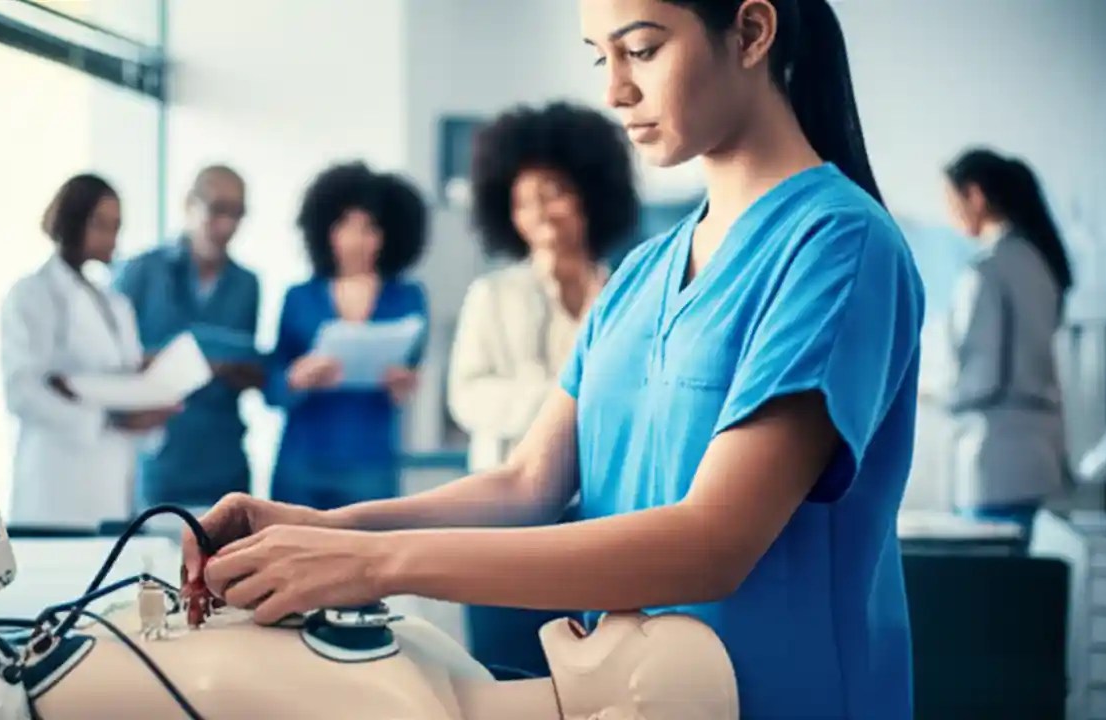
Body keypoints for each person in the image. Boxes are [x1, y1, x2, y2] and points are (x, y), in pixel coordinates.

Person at [185, 2, 925, 718]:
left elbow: (714, 540)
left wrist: (372, 566)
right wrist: (323, 529)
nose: (614, 90)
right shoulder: (643, 274)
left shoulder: (838, 246)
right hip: (631, 696)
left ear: (751, 32)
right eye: (601, 58)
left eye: (641, 49)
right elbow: (528, 484)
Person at [447, 101, 639, 678]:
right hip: (506, 518)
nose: (540, 212)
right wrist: (558, 399)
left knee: (594, 681)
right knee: (506, 677)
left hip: (600, 518)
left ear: (587, 193)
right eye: (524, 202)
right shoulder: (492, 294)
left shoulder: (626, 289)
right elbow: (467, 397)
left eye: (553, 192)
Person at [2, 174, 178, 530]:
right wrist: (108, 420)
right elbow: (22, 392)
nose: (111, 238)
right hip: (55, 482)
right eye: (101, 225)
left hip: (111, 481)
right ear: (71, 221)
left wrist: (151, 396)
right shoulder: (32, 294)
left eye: (117, 226)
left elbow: (122, 376)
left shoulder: (115, 303)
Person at [263, 161, 429, 511]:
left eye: (368, 228)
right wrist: (297, 378)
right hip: (302, 459)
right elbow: (273, 385)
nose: (356, 240)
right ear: (324, 230)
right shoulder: (299, 297)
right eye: (344, 226)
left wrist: (403, 385)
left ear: (388, 236)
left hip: (370, 460)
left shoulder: (408, 298)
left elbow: (410, 375)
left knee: (366, 557)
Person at [114, 165, 264, 510]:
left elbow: (248, 361)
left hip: (225, 459)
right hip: (163, 457)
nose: (226, 225)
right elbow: (114, 359)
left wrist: (242, 370)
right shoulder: (141, 271)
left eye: (237, 213)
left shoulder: (247, 284)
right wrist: (173, 360)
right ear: (189, 204)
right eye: (217, 209)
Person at [943, 148, 1072, 542]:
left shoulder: (988, 269)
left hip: (995, 456)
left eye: (952, 202)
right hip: (1040, 456)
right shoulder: (1040, 262)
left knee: (988, 590)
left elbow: (981, 374)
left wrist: (937, 393)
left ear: (975, 196)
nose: (950, 215)